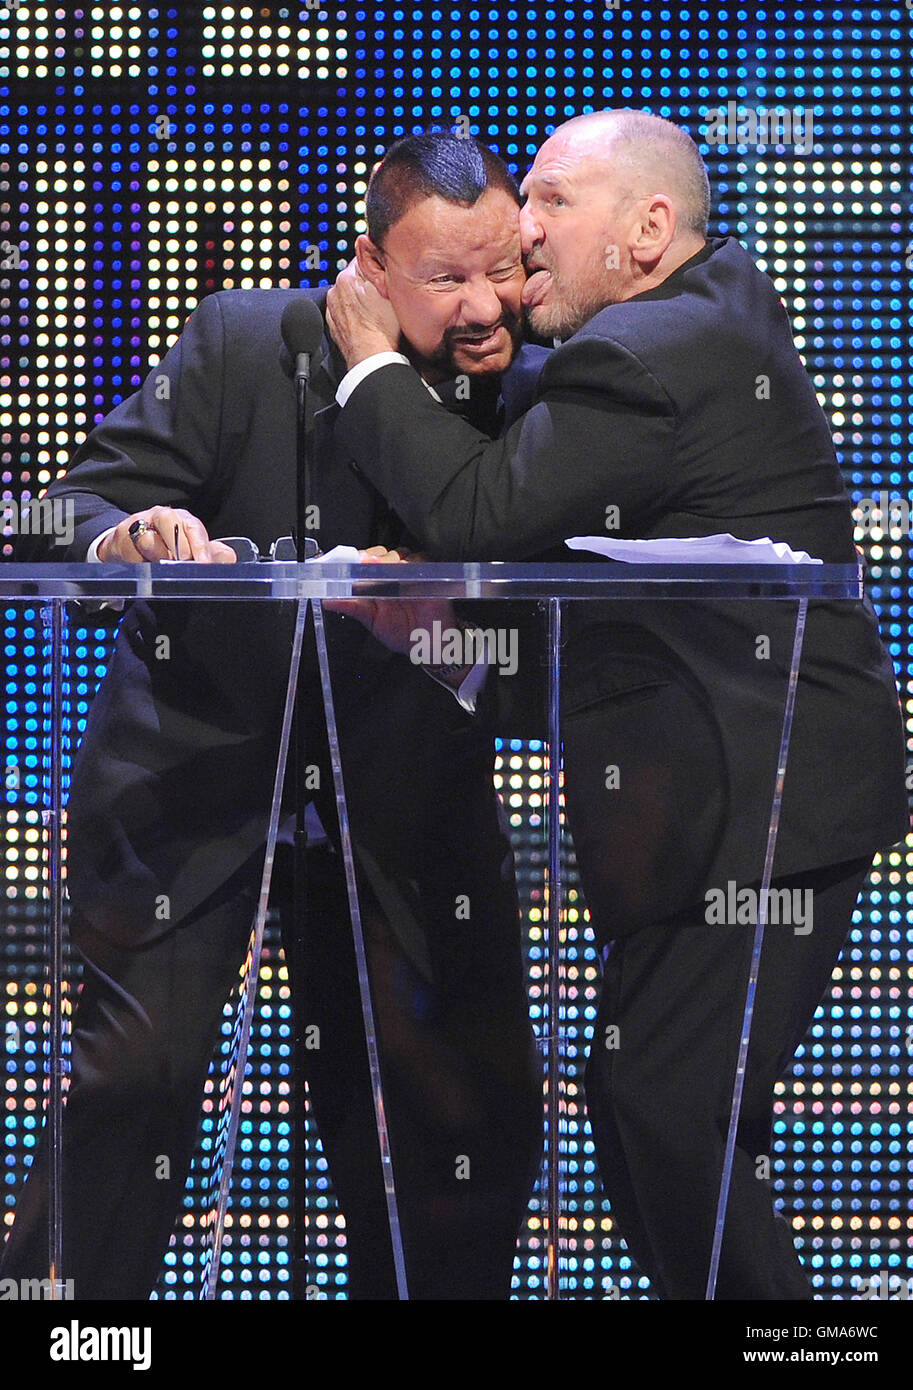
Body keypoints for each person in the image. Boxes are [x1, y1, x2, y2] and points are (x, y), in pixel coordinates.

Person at [324, 109, 910, 1300]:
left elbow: (478, 515)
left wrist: (374, 366)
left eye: (547, 202)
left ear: (648, 229)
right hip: (719, 795)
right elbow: (608, 631)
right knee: (648, 1111)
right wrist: (432, 634)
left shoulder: (645, 352)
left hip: (756, 802)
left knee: (666, 1109)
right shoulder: (703, 321)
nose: (522, 231)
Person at [2, 133, 548, 1301]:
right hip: (196, 786)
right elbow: (59, 510)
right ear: (367, 270)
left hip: (407, 812)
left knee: (460, 1109)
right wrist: (126, 536)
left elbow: (541, 636)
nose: (485, 305)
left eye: (501, 267)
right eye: (446, 278)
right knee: (130, 1086)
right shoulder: (249, 342)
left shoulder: (535, 387)